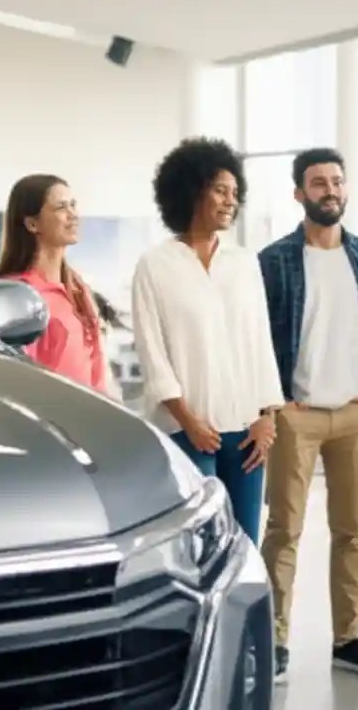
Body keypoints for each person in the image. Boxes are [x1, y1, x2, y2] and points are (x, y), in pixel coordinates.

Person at [258, 148, 358, 682]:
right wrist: (273, 400)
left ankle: (347, 638)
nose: (331, 190)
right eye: (319, 183)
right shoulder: (274, 260)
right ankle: (274, 638)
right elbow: (262, 335)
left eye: (338, 181)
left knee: (352, 530)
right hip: (297, 413)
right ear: (299, 193)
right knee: (284, 528)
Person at [131, 137, 284, 545]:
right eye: (220, 189)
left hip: (246, 428)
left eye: (235, 193)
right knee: (200, 543)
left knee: (246, 541)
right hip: (187, 428)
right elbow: (153, 354)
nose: (230, 201)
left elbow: (260, 342)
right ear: (191, 189)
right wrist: (189, 421)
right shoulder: (155, 265)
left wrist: (267, 415)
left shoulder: (244, 262)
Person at [0, 174, 113, 397]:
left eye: (73, 205)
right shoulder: (14, 294)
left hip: (92, 418)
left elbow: (98, 371)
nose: (73, 215)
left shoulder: (78, 288)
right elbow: (12, 380)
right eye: (61, 208)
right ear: (32, 223)